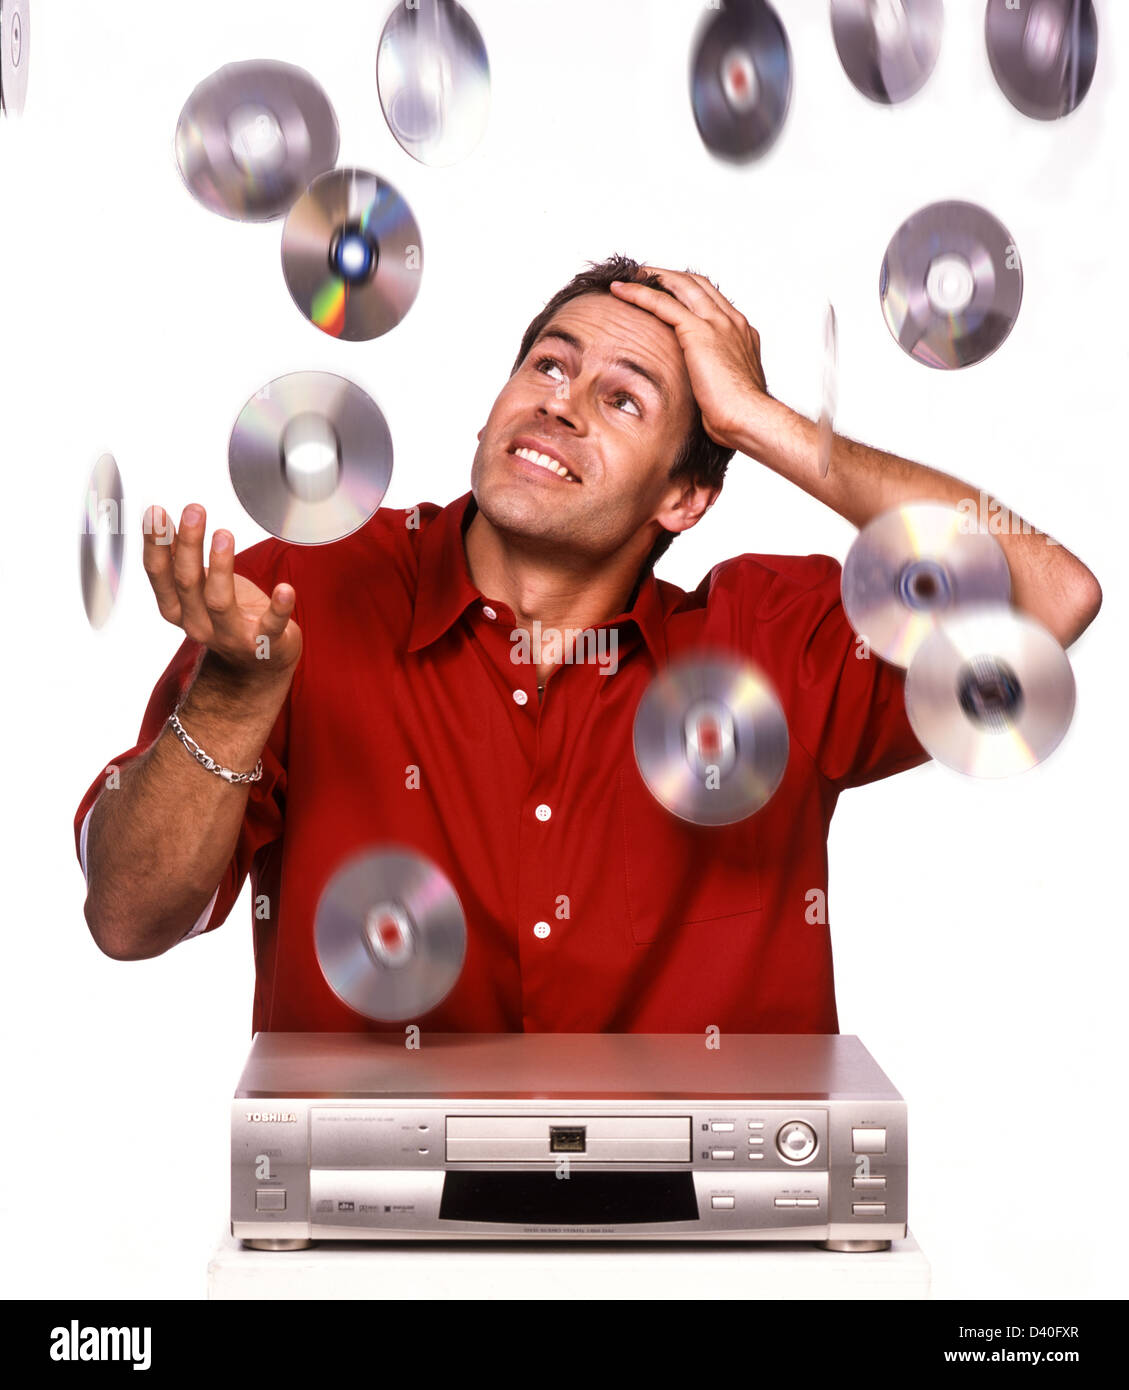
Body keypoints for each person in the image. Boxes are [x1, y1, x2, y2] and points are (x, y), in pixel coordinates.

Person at [74, 255, 1101, 1034]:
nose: (558, 400)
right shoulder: (309, 587)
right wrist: (230, 701)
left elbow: (1050, 591)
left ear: (686, 496)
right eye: (548, 363)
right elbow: (127, 917)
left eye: (621, 398)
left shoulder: (773, 644)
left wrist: (767, 422)